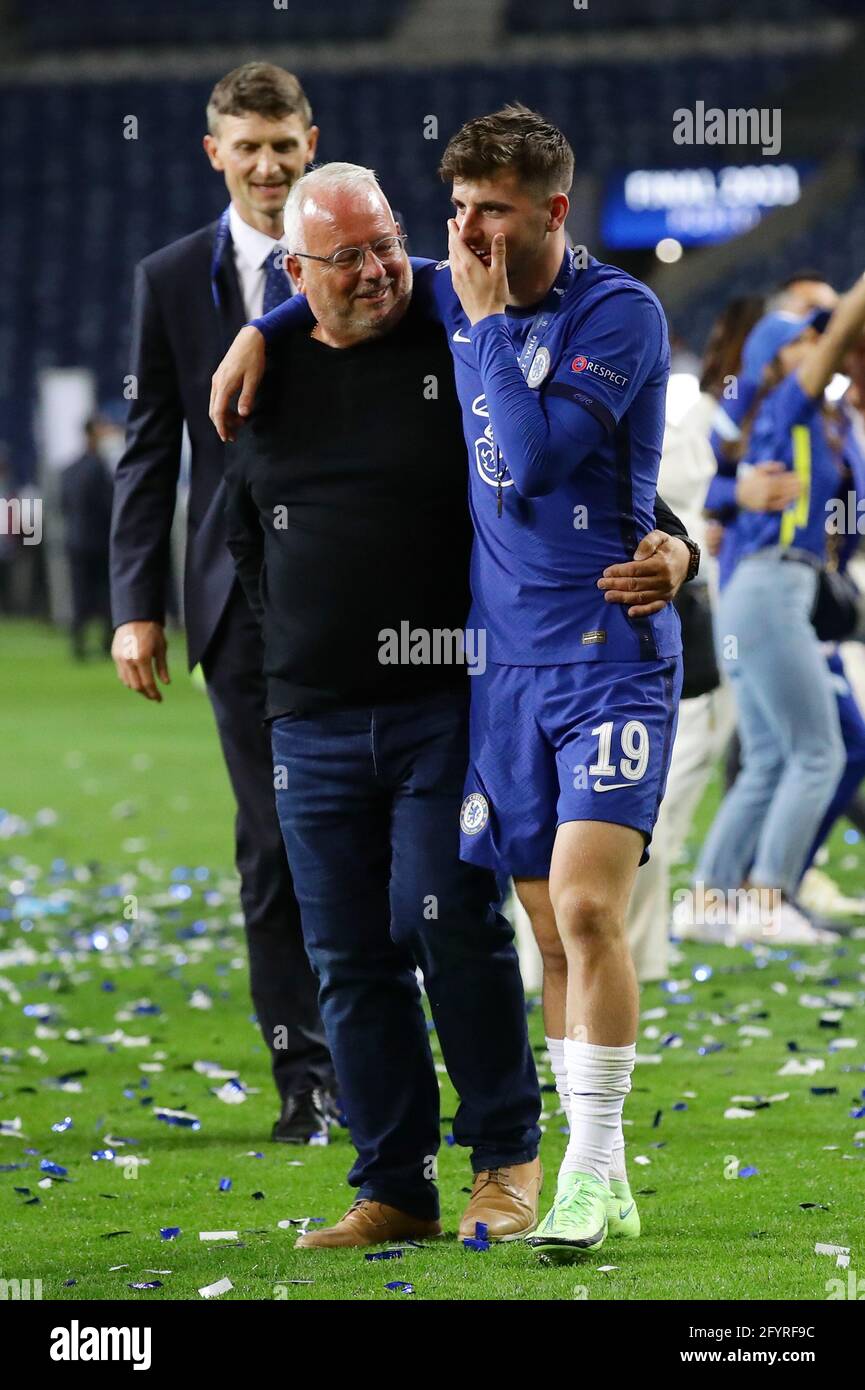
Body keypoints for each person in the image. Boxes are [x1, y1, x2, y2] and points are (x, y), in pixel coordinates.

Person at [211, 110, 697, 1263]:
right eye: (455, 216)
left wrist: (679, 549)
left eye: (398, 243)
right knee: (375, 951)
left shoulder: (507, 311)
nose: (403, 263)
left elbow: (549, 465)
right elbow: (236, 535)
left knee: (495, 925)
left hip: (497, 687)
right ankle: (399, 1184)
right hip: (382, 702)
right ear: (300, 271)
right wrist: (261, 329)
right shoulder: (301, 352)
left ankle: (543, 1167)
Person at [109, 62, 336, 1142]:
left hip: (359, 590)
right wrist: (134, 603)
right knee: (273, 839)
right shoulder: (165, 278)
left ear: (309, 142)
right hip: (233, 598)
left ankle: (381, 1046)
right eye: (245, 146)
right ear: (215, 153)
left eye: (282, 143)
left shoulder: (364, 260)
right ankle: (306, 1074)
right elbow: (150, 452)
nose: (265, 164)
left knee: (382, 836)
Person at [696, 279, 865, 940]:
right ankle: (768, 900)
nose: (816, 347)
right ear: (772, 360)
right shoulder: (785, 404)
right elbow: (843, 327)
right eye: (801, 340)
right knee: (817, 753)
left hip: (766, 591)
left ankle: (711, 904)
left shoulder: (804, 419)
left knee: (769, 757)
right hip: (770, 589)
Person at [61, 417, 116, 660]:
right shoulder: (100, 468)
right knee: (106, 592)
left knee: (80, 592)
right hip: (100, 542)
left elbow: (63, 505)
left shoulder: (70, 470)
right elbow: (109, 506)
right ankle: (107, 643)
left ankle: (78, 643)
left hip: (75, 541)